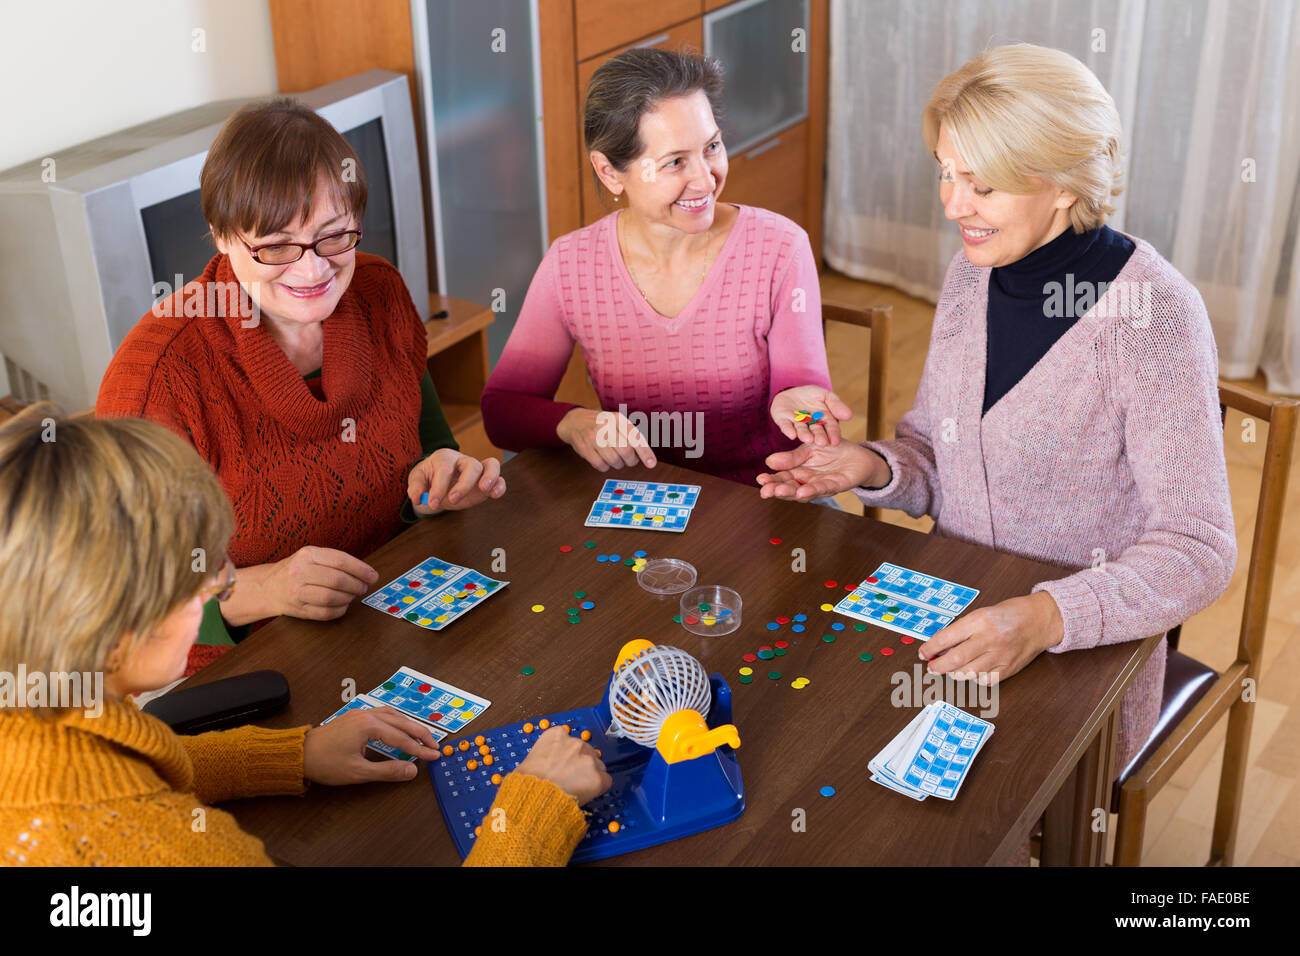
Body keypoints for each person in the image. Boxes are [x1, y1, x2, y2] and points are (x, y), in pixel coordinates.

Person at [758, 44, 1237, 778]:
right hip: (958, 614)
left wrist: (1045, 618)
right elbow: (937, 450)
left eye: (980, 184)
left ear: (1063, 185)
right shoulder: (972, 273)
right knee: (813, 751)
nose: (953, 205)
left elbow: (1199, 549)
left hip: (1082, 660)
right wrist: (869, 464)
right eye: (947, 175)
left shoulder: (1154, 316)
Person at [0, 407, 608, 867]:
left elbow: (119, 765)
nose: (219, 586)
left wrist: (293, 755)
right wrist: (534, 810)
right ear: (108, 621)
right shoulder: (161, 849)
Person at [96, 99, 506, 658]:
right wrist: (257, 589)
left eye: (335, 236)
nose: (313, 270)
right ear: (220, 234)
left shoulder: (379, 293)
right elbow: (126, 608)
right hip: (253, 672)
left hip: (398, 615)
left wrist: (439, 482)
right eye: (276, 246)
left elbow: (427, 447)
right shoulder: (157, 379)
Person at [481, 47, 849, 487]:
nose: (705, 178)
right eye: (675, 162)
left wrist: (800, 405)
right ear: (610, 172)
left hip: (768, 494)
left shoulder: (780, 247)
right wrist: (572, 422)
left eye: (712, 146)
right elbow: (503, 411)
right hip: (643, 504)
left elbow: (801, 396)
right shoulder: (571, 265)